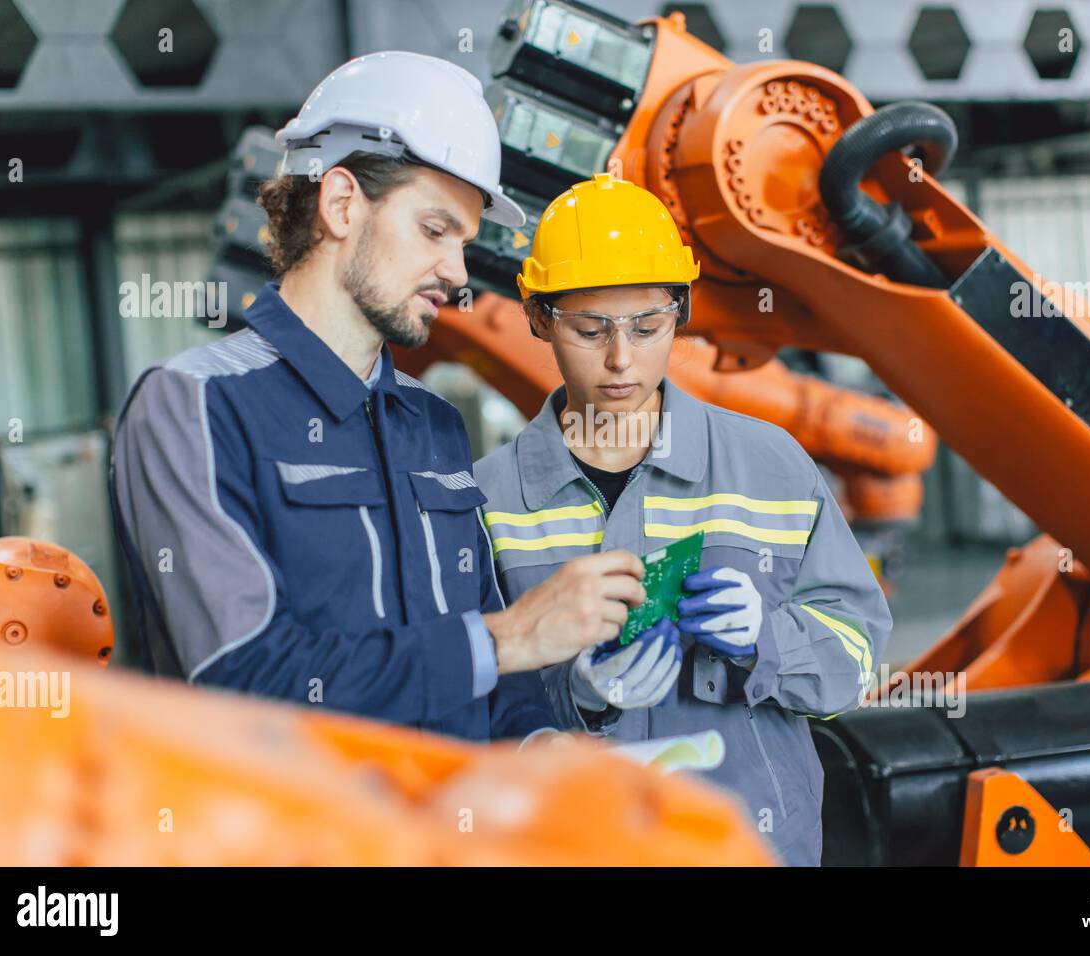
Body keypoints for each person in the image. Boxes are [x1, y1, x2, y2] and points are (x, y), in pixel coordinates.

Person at [109, 53, 646, 743]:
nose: (457, 274)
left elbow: (493, 676)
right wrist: (508, 637)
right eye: (434, 230)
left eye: (465, 242)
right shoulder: (194, 407)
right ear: (340, 205)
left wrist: (544, 740)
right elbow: (246, 680)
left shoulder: (434, 426)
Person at [474, 173, 893, 863]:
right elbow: (460, 699)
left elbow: (859, 655)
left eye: (648, 327)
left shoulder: (772, 465)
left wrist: (769, 641)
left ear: (682, 310)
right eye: (589, 328)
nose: (621, 358)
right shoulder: (489, 500)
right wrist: (569, 692)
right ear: (539, 317)